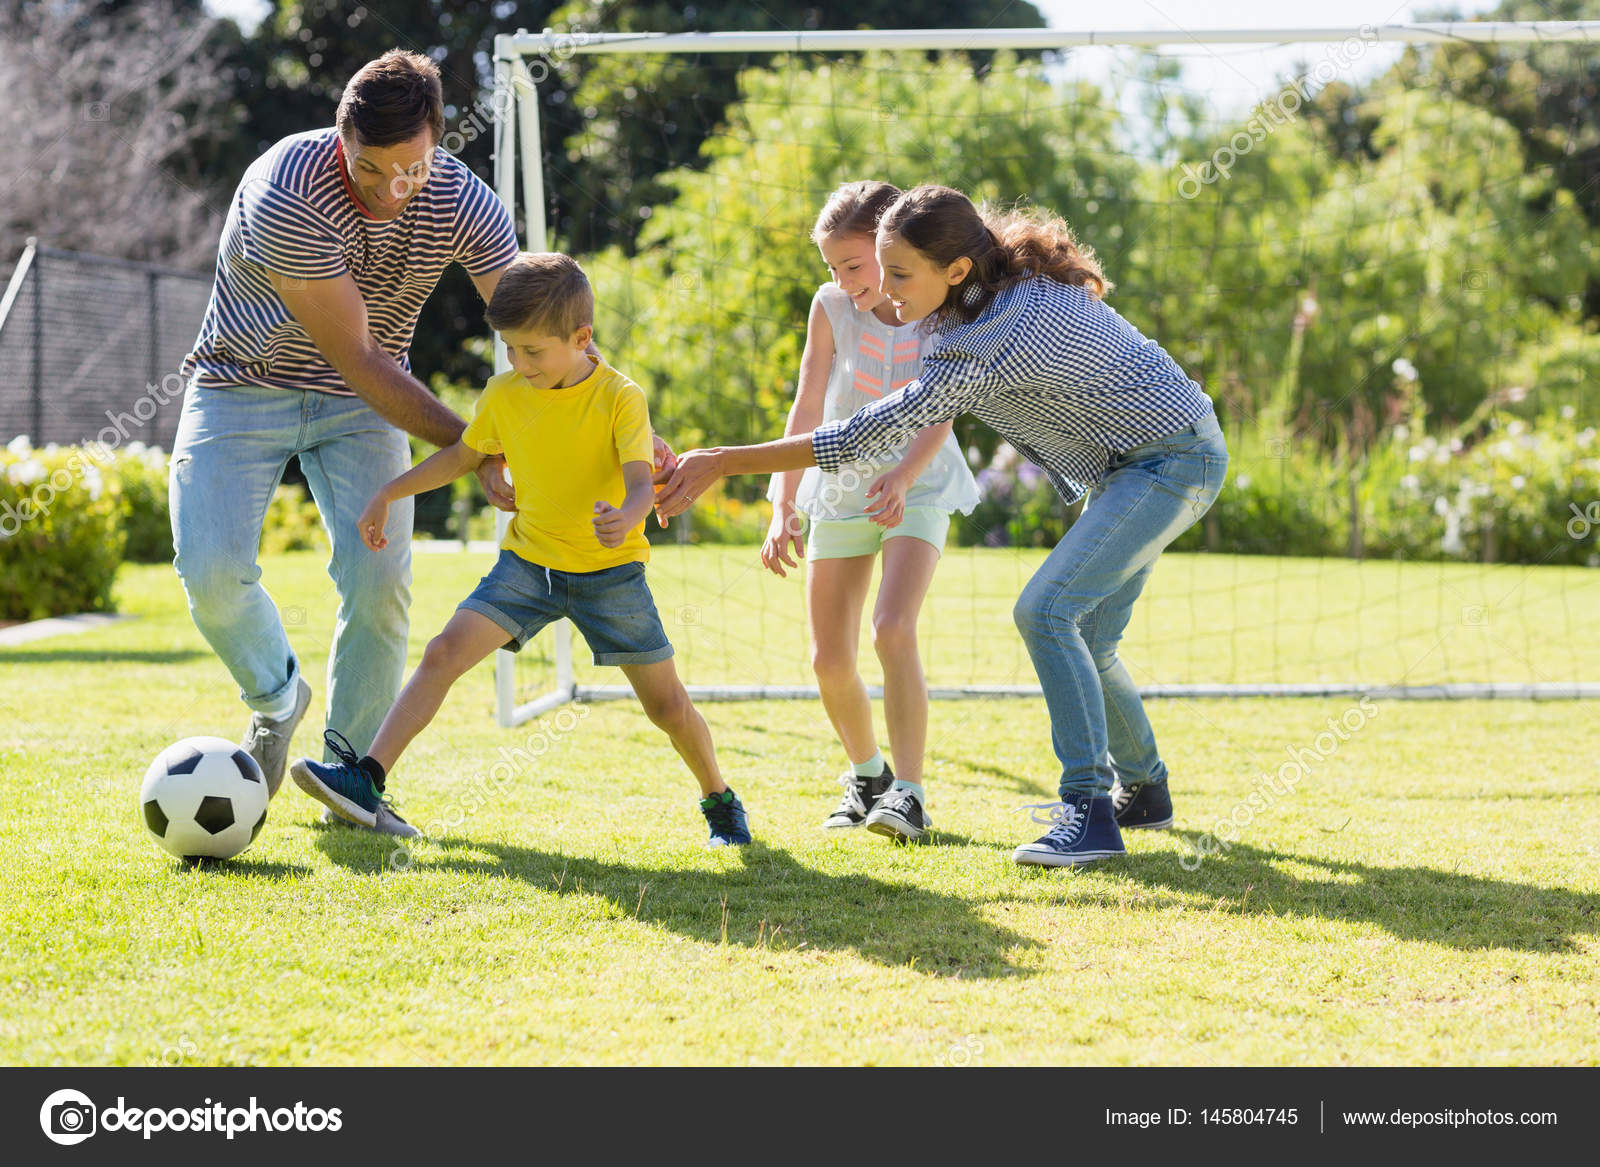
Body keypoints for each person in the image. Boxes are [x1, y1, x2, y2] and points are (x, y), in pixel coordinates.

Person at [657, 184, 1227, 866]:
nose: (888, 290)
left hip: (1170, 461)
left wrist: (723, 461)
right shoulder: (981, 294)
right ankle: (1147, 790)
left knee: (1045, 612)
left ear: (954, 269)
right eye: (882, 268)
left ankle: (1089, 812)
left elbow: (867, 433)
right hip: (1146, 461)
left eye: (900, 273)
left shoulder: (986, 334)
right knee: (1094, 637)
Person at [289, 253, 752, 848]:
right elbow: (462, 455)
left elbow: (641, 484)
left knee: (666, 707)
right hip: (527, 567)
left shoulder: (620, 397)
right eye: (509, 349)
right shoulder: (506, 393)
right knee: (442, 653)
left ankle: (720, 799)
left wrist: (629, 516)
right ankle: (364, 781)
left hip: (610, 574)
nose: (518, 363)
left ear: (582, 339)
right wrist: (390, 490)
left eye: (533, 351)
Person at [170, 50, 518, 837]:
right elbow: (356, 359)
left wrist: (611, 413)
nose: (393, 192)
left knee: (378, 581)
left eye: (414, 170)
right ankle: (275, 695)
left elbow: (537, 315)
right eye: (371, 170)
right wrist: (477, 447)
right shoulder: (288, 188)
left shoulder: (460, 196)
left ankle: (352, 772)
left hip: (360, 408)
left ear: (437, 142)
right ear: (340, 138)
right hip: (242, 384)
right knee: (212, 572)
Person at [762, 181, 977, 842]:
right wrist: (783, 501)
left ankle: (909, 793)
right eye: (833, 268)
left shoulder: (939, 308)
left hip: (920, 484)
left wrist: (905, 474)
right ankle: (868, 775)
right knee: (829, 658)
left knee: (892, 627)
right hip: (842, 486)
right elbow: (807, 405)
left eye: (853, 264)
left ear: (887, 247)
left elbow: (941, 406)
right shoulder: (830, 307)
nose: (844, 278)